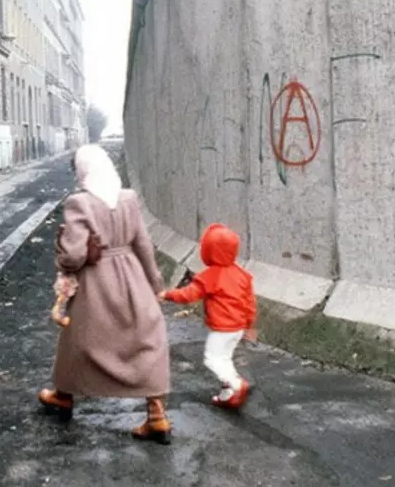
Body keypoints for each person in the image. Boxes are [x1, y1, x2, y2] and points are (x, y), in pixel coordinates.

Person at [37, 144, 173, 444]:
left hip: (96, 282)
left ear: (82, 173)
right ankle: (156, 413)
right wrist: (156, 285)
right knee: (144, 339)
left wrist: (62, 252)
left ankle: (63, 395)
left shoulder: (79, 203)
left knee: (79, 340)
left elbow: (73, 256)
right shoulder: (128, 198)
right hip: (132, 276)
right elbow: (144, 244)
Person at [159, 222, 257, 409]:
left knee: (212, 359)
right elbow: (250, 303)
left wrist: (167, 295)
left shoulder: (210, 276)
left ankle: (236, 385)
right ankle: (228, 393)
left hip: (222, 328)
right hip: (238, 327)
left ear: (209, 251)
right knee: (224, 358)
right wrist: (249, 325)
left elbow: (188, 295)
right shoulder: (242, 274)